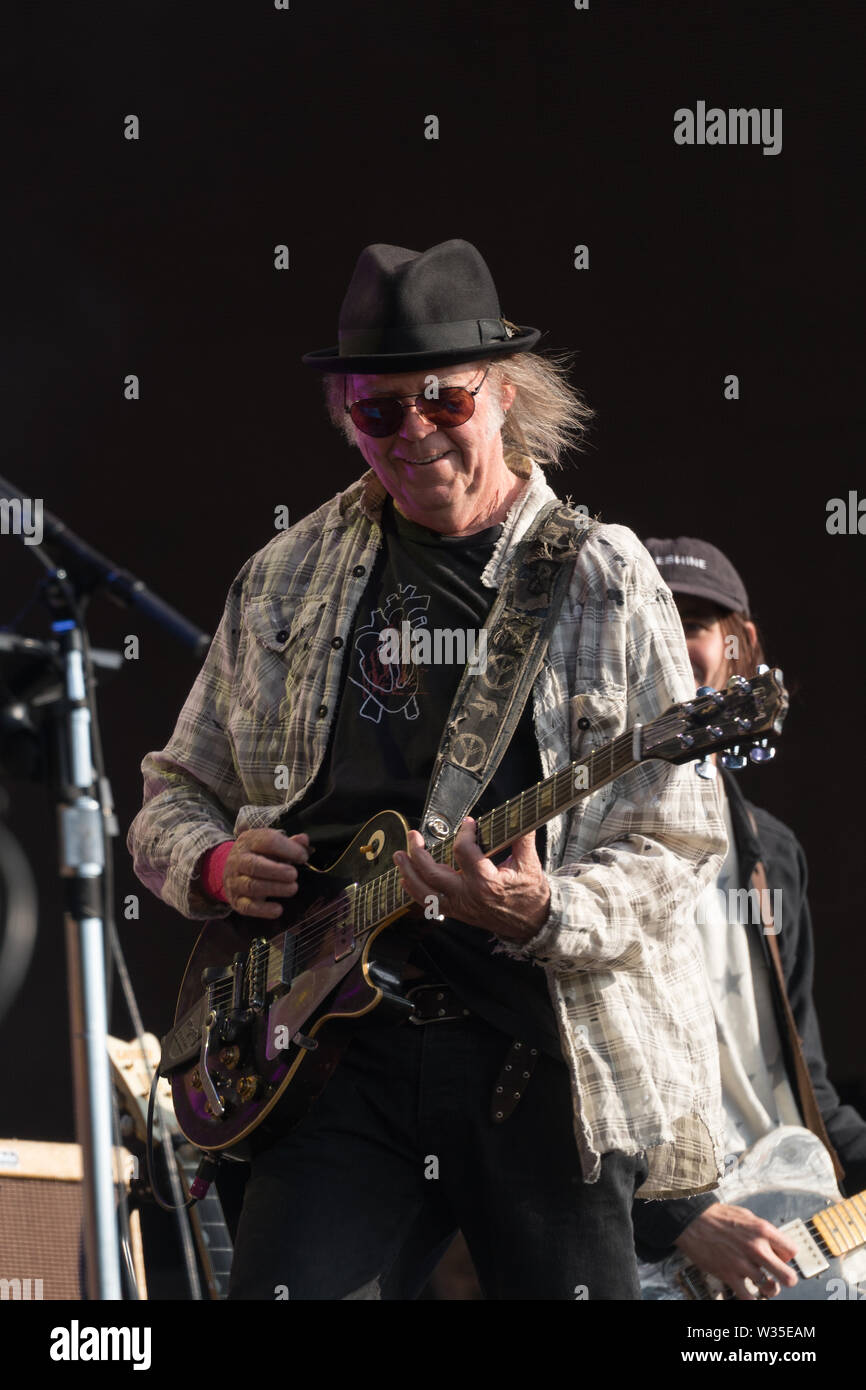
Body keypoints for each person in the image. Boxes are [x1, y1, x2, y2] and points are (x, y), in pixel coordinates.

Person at [128, 238, 728, 1301]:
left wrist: (545, 908)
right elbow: (173, 789)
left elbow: (679, 836)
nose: (412, 435)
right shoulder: (283, 573)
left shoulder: (597, 573)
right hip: (328, 1057)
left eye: (440, 402)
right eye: (377, 412)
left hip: (538, 1058)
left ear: (503, 395)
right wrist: (215, 868)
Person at [634, 538, 866, 1300]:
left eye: (695, 622)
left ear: (737, 652)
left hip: (786, 1214)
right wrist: (681, 1216)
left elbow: (805, 1079)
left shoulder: (773, 853)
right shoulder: (569, 847)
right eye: (653, 619)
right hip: (655, 1235)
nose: (673, 639)